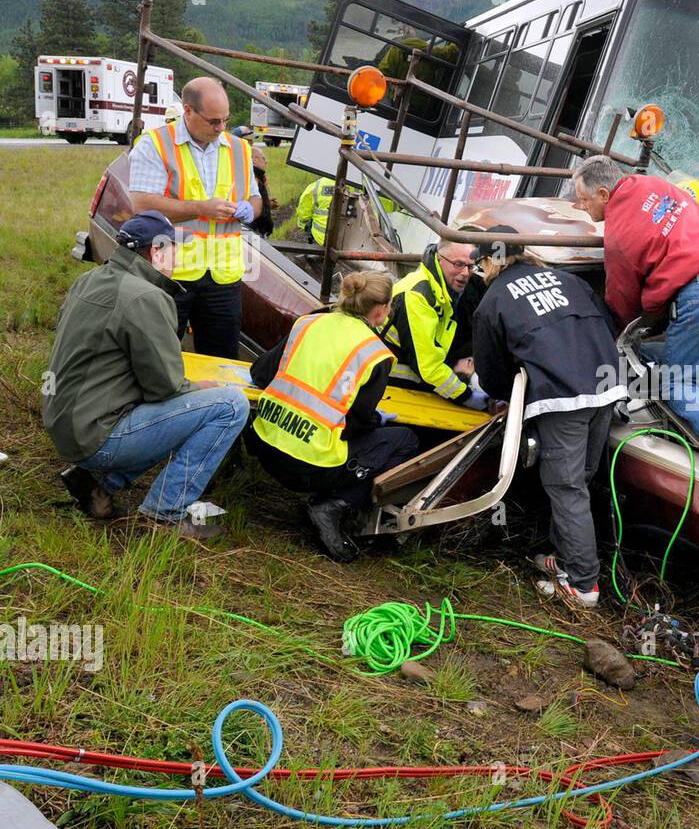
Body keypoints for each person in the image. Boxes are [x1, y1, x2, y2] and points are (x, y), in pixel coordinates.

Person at [572, 155, 699, 495]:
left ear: (605, 194)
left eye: (583, 198)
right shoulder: (655, 185)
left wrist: (615, 332)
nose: (579, 205)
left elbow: (623, 299)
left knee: (672, 380)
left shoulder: (619, 231)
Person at [42, 211, 249, 539]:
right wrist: (201, 388)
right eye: (175, 248)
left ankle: (96, 485)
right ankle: (163, 515)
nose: (179, 255)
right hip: (95, 434)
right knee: (230, 405)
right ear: (156, 252)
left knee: (181, 409)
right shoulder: (147, 296)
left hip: (64, 420)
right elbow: (165, 389)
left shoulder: (91, 279)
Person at [473, 245, 628, 608]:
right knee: (581, 481)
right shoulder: (569, 279)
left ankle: (582, 584)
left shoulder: (493, 300)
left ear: (488, 262)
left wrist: (508, 394)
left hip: (563, 399)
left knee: (565, 486)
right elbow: (607, 325)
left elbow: (491, 373)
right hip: (607, 387)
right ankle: (566, 557)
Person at [248, 272, 421, 562]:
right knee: (406, 440)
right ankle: (335, 505)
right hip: (307, 469)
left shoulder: (307, 323)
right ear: (380, 310)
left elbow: (260, 373)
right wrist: (377, 419)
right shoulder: (375, 355)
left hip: (263, 445)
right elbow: (357, 424)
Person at [129, 77, 261, 359]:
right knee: (156, 355)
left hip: (223, 277)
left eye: (225, 120)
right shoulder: (156, 144)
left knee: (221, 359)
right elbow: (141, 204)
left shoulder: (239, 148)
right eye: (213, 121)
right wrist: (202, 208)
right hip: (169, 272)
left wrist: (250, 208)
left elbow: (256, 200)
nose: (221, 128)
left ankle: (215, 403)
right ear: (187, 111)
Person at [380, 241, 487, 408]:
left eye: (470, 266)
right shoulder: (417, 298)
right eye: (458, 264)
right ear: (439, 259)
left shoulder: (441, 285)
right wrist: (466, 395)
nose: (465, 273)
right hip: (394, 374)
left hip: (419, 360)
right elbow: (428, 368)